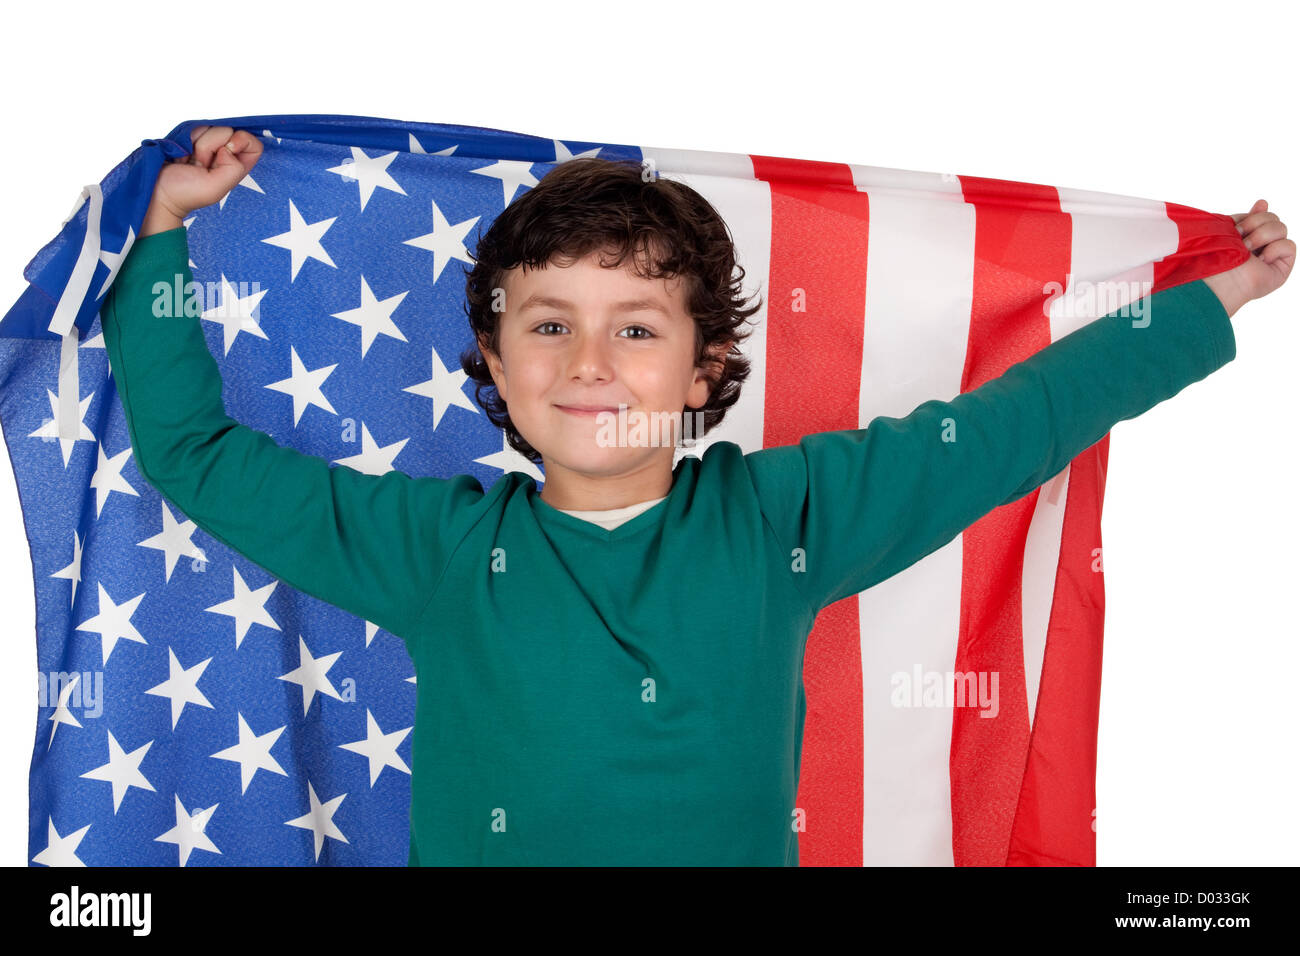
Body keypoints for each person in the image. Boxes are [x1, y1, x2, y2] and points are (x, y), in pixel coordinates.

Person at [102, 124, 1293, 865]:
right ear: (495, 365)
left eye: (636, 328)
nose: (589, 365)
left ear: (704, 370)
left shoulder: (784, 517)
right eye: (549, 326)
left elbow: (1013, 425)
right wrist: (161, 234)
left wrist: (1216, 295)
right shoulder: (437, 546)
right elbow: (195, 453)